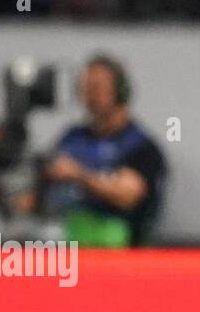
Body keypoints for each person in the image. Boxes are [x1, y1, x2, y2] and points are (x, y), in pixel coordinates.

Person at [39, 55, 167, 246]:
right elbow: (40, 189)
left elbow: (128, 195)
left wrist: (79, 175)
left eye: (97, 88)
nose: (89, 96)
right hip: (69, 244)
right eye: (84, 89)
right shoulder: (72, 138)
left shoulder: (139, 146)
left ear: (120, 92)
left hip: (120, 249)